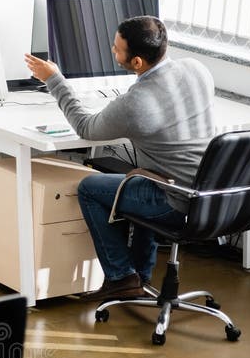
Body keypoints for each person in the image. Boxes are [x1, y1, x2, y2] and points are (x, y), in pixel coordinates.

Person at [25, 17, 216, 300]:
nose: (112, 52)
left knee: (91, 188)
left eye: (116, 49)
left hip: (176, 201)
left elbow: (86, 127)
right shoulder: (197, 69)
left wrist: (54, 78)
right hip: (214, 198)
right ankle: (139, 274)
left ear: (137, 62)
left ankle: (121, 276)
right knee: (140, 177)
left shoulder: (137, 103)